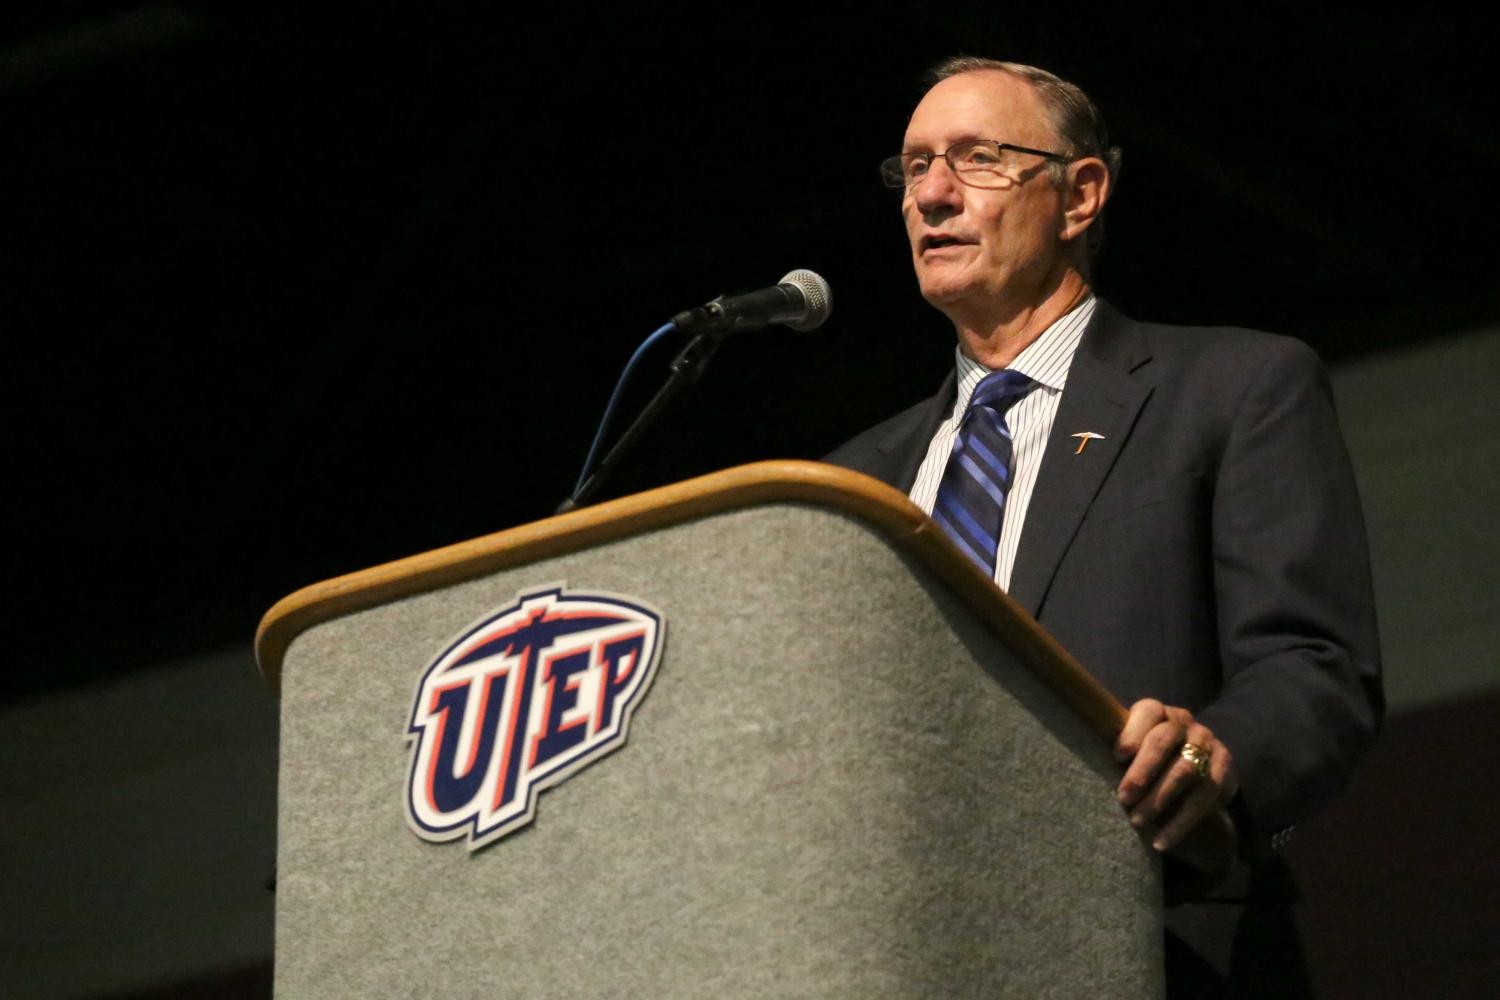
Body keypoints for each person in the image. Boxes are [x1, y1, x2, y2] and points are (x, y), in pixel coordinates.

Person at [824, 56, 1383, 995]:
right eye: (914, 167)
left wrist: (1213, 756)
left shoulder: (1233, 390)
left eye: (977, 159)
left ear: (1080, 194)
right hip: (910, 955)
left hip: (1154, 935)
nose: (932, 195)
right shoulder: (851, 483)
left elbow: (1313, 669)